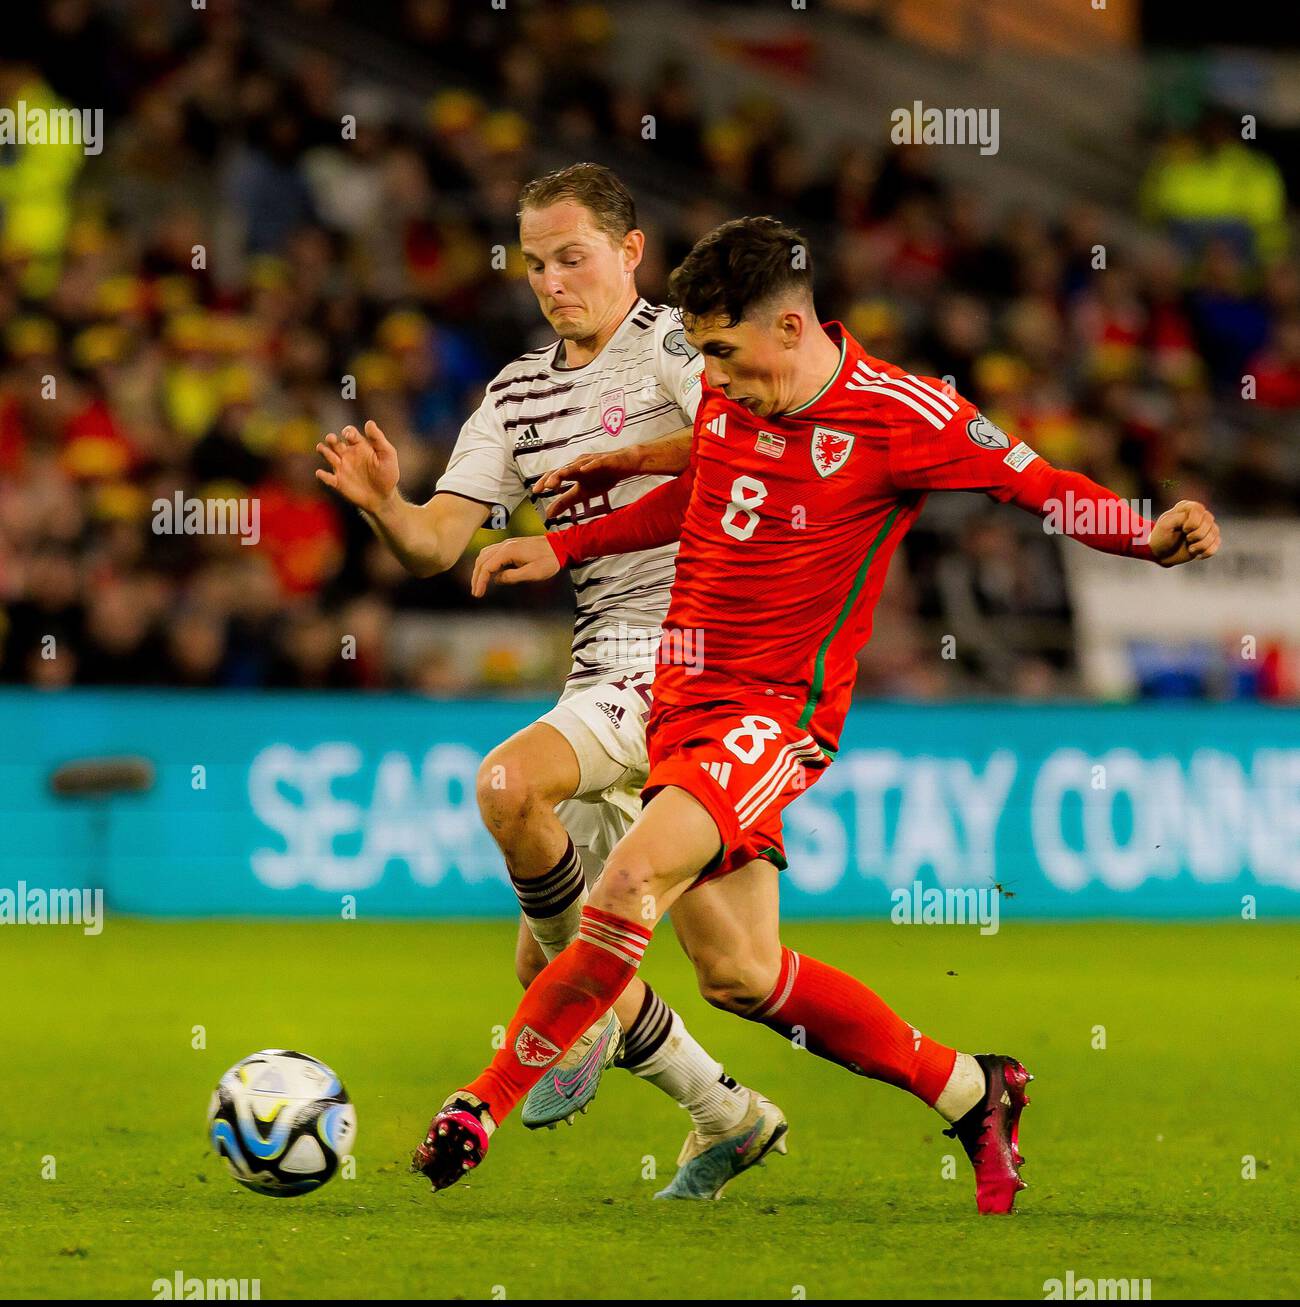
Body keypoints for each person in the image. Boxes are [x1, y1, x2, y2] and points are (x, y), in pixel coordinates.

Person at [415, 215, 1221, 1214]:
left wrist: (1145, 537)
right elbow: (709, 488)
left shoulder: (903, 415)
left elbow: (1039, 486)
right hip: (680, 699)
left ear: (790, 327)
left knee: (626, 880)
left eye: (722, 351)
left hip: (771, 714)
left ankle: (483, 1103)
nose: (709, 374)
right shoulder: (732, 393)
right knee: (739, 975)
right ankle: (973, 1089)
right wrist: (574, 537)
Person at [315, 169, 787, 1201]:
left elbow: (744, 451)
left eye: (572, 257)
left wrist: (615, 481)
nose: (551, 281)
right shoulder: (515, 394)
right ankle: (729, 1115)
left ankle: (588, 1026)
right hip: (603, 669)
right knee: (556, 974)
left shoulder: (676, 347)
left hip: (696, 659)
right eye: (534, 263)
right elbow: (437, 544)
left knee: (508, 787)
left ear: (631, 251)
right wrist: (386, 506)